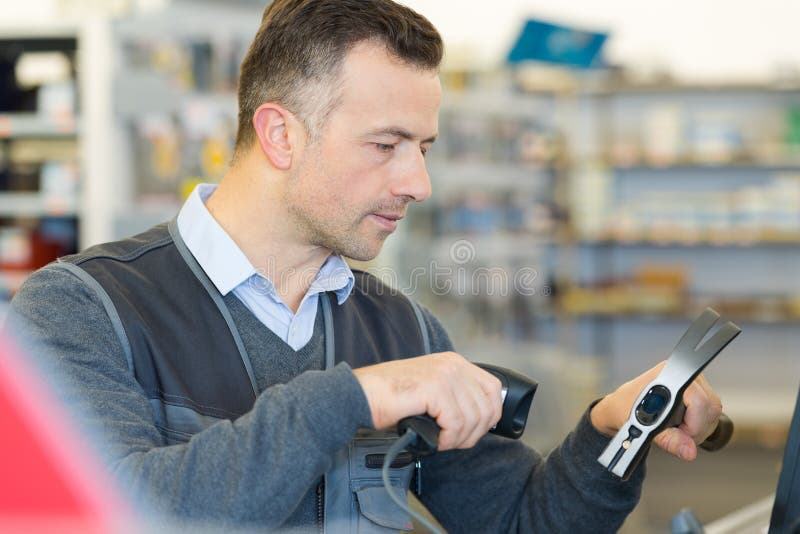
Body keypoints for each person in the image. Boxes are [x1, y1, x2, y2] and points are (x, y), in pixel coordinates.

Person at [7, 0, 724, 532]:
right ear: (281, 135)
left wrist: (613, 428)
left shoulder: (401, 329)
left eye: (426, 147)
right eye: (386, 145)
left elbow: (521, 521)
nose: (419, 182)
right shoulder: (79, 311)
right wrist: (356, 396)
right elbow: (114, 513)